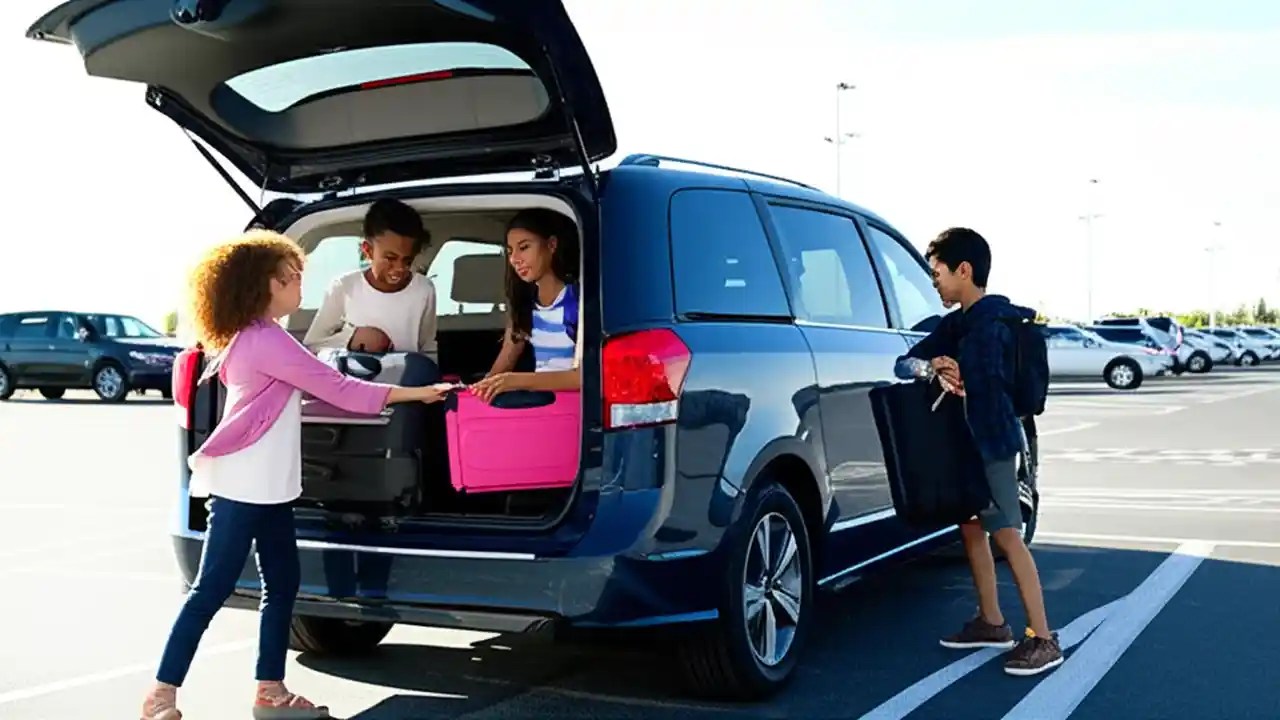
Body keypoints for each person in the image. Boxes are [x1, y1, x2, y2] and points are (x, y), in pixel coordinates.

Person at [141, 230, 452, 720]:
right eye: (293, 279)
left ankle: (271, 691)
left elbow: (306, 390)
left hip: (271, 489)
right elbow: (339, 389)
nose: (301, 289)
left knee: (281, 586)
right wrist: (417, 393)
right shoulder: (268, 340)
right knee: (210, 591)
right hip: (243, 488)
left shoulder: (253, 336)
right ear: (269, 284)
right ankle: (161, 695)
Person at [893, 227, 1063, 677]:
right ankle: (991, 621)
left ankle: (1043, 638)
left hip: (993, 445)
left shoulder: (992, 325)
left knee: (1006, 533)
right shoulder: (957, 324)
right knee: (971, 528)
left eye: (937, 274)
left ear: (963, 271)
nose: (934, 282)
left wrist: (958, 374)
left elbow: (991, 389)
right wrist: (933, 365)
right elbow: (903, 362)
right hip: (967, 445)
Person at [470, 208, 581, 403]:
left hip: (577, 410)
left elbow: (583, 377)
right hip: (541, 408)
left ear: (552, 245)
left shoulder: (577, 300)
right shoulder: (524, 305)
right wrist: (476, 389)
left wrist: (516, 381)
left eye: (524, 247)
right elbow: (502, 367)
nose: (515, 260)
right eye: (510, 251)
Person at [303, 198, 438, 357]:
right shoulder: (345, 287)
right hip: (356, 379)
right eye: (390, 258)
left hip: (406, 378)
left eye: (407, 260)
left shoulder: (424, 289)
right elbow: (312, 345)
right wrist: (352, 338)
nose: (400, 268)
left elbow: (427, 347)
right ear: (368, 251)